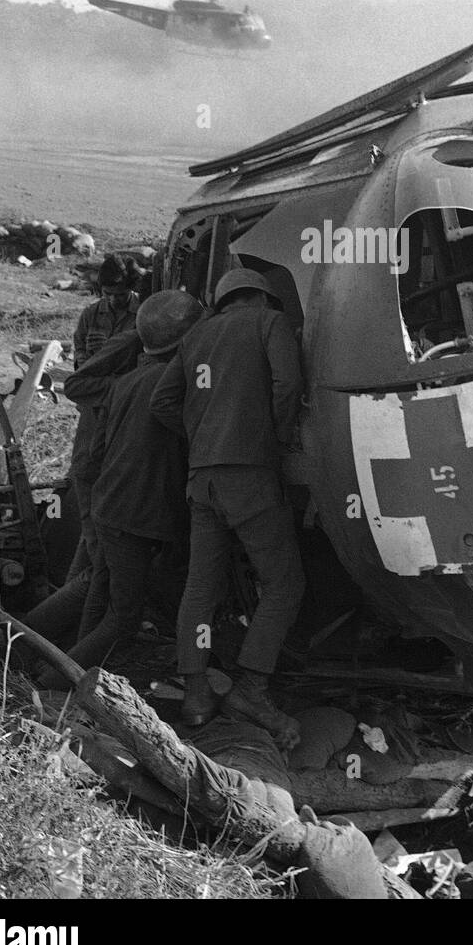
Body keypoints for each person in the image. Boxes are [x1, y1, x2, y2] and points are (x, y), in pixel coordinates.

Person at [150, 268, 305, 742]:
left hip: (204, 482)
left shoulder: (196, 336)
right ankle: (251, 689)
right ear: (260, 295)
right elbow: (286, 385)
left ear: (221, 299)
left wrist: (202, 437)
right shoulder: (269, 322)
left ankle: (196, 695)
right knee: (285, 583)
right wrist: (275, 439)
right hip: (250, 477)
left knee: (201, 587)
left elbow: (163, 402)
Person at [29, 292, 202, 681]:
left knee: (96, 585)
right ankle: (55, 677)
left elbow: (98, 450)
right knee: (124, 616)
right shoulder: (177, 387)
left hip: (109, 504)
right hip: (135, 516)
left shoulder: (125, 383)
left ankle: (30, 649)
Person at [67, 255, 141, 577]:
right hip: (96, 404)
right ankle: (93, 550)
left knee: (121, 475)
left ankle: (111, 558)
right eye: (107, 293)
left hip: (129, 407)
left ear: (132, 289)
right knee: (85, 469)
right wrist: (107, 383)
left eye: (120, 294)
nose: (113, 300)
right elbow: (80, 364)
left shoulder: (145, 314)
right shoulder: (89, 316)